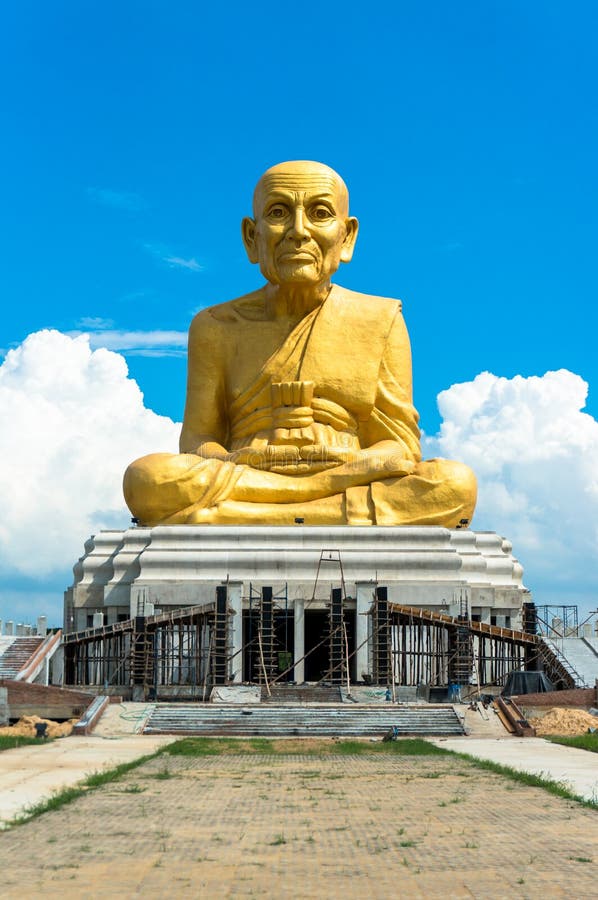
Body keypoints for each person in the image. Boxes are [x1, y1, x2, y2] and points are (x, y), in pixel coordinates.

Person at [123, 161, 476, 527]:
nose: (298, 231)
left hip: (332, 474)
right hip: (262, 474)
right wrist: (243, 461)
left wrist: (340, 469)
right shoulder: (215, 326)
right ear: (251, 236)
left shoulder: (378, 318)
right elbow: (199, 441)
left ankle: (246, 517)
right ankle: (321, 514)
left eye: (320, 213)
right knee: (147, 478)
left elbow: (400, 447)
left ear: (347, 236)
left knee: (454, 483)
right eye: (278, 213)